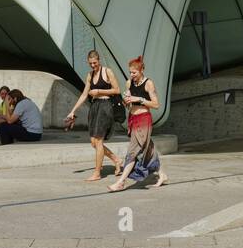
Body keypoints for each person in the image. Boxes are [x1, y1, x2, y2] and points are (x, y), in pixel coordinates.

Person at [108, 57, 167, 191]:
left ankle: (121, 182)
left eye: (134, 72)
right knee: (148, 148)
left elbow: (156, 104)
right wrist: (126, 99)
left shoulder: (148, 83)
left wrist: (139, 99)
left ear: (142, 70)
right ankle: (162, 174)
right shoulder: (129, 83)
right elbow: (128, 104)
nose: (131, 75)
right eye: (130, 72)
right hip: (133, 119)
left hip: (144, 120)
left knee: (133, 151)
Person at [64, 50, 122, 181]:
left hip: (106, 106)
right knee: (93, 142)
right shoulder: (90, 75)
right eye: (90, 63)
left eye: (95, 63)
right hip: (95, 107)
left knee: (99, 140)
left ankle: (97, 173)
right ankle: (116, 159)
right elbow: (84, 94)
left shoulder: (107, 72)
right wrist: (73, 111)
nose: (93, 65)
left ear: (99, 60)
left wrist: (99, 91)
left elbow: (117, 90)